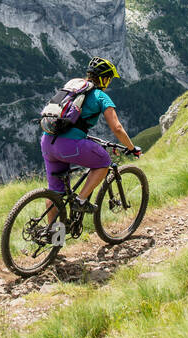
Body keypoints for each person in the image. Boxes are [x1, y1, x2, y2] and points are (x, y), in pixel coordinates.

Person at [39, 57, 140, 227]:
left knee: (55, 193)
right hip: (68, 146)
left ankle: (53, 236)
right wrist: (132, 148)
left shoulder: (74, 86)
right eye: (109, 78)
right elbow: (117, 128)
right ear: (104, 78)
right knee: (103, 162)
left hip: (47, 140)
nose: (109, 83)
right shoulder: (101, 96)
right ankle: (81, 200)